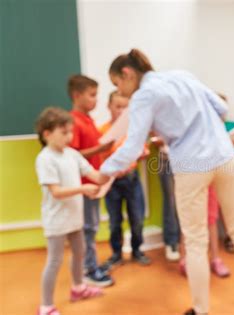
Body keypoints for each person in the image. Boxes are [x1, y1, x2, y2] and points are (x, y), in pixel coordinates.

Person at [99, 49, 234, 315]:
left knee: (195, 240)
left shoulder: (144, 95)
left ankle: (201, 310)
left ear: (127, 73)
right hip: (224, 157)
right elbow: (222, 109)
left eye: (117, 84)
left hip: (191, 166)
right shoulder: (182, 76)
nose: (121, 91)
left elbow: (131, 147)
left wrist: (104, 171)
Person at [35, 107, 108, 315]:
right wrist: (83, 189)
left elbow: (94, 175)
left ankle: (78, 288)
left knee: (79, 253)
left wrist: (113, 170)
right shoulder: (45, 159)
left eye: (70, 132)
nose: (69, 137)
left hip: (74, 217)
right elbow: (56, 191)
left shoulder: (72, 154)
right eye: (64, 132)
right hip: (57, 220)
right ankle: (46, 306)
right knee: (55, 260)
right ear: (47, 134)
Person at [68, 75, 114, 287]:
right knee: (88, 227)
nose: (95, 100)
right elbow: (73, 155)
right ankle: (89, 269)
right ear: (77, 95)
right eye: (92, 95)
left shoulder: (88, 120)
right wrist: (100, 149)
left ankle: (91, 264)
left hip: (94, 182)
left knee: (93, 225)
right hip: (83, 184)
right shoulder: (73, 121)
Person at [99, 91, 151, 270]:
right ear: (109, 106)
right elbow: (100, 156)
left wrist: (142, 154)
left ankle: (137, 250)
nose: (121, 111)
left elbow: (142, 152)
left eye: (125, 107)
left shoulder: (133, 131)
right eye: (117, 106)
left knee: (137, 218)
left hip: (132, 180)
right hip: (112, 183)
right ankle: (116, 254)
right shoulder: (103, 131)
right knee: (114, 221)